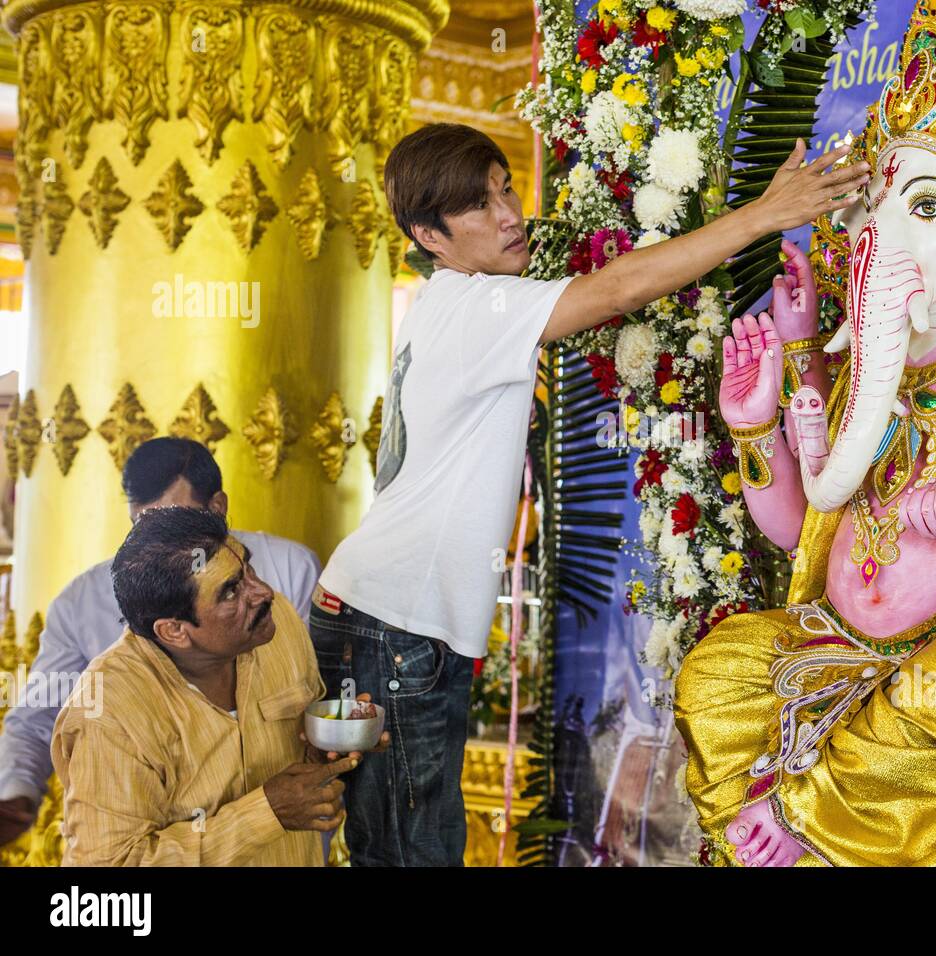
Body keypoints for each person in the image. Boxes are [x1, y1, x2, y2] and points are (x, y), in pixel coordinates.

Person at [311, 121, 869, 865]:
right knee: (412, 854)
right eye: (479, 207)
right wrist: (764, 215)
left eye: (505, 188)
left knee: (399, 849)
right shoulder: (473, 307)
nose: (509, 215)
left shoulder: (456, 305)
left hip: (385, 615)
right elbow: (617, 288)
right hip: (396, 623)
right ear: (429, 235)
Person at [0, 437, 321, 847]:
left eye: (174, 522)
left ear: (216, 508)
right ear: (170, 630)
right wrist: (17, 792)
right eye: (141, 525)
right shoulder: (83, 611)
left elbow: (317, 701)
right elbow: (36, 719)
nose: (156, 541)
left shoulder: (282, 585)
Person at [51, 507, 365, 865]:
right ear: (174, 631)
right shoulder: (110, 714)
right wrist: (266, 813)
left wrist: (330, 745)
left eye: (249, 569)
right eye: (231, 591)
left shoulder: (275, 628)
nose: (263, 593)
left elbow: (301, 745)